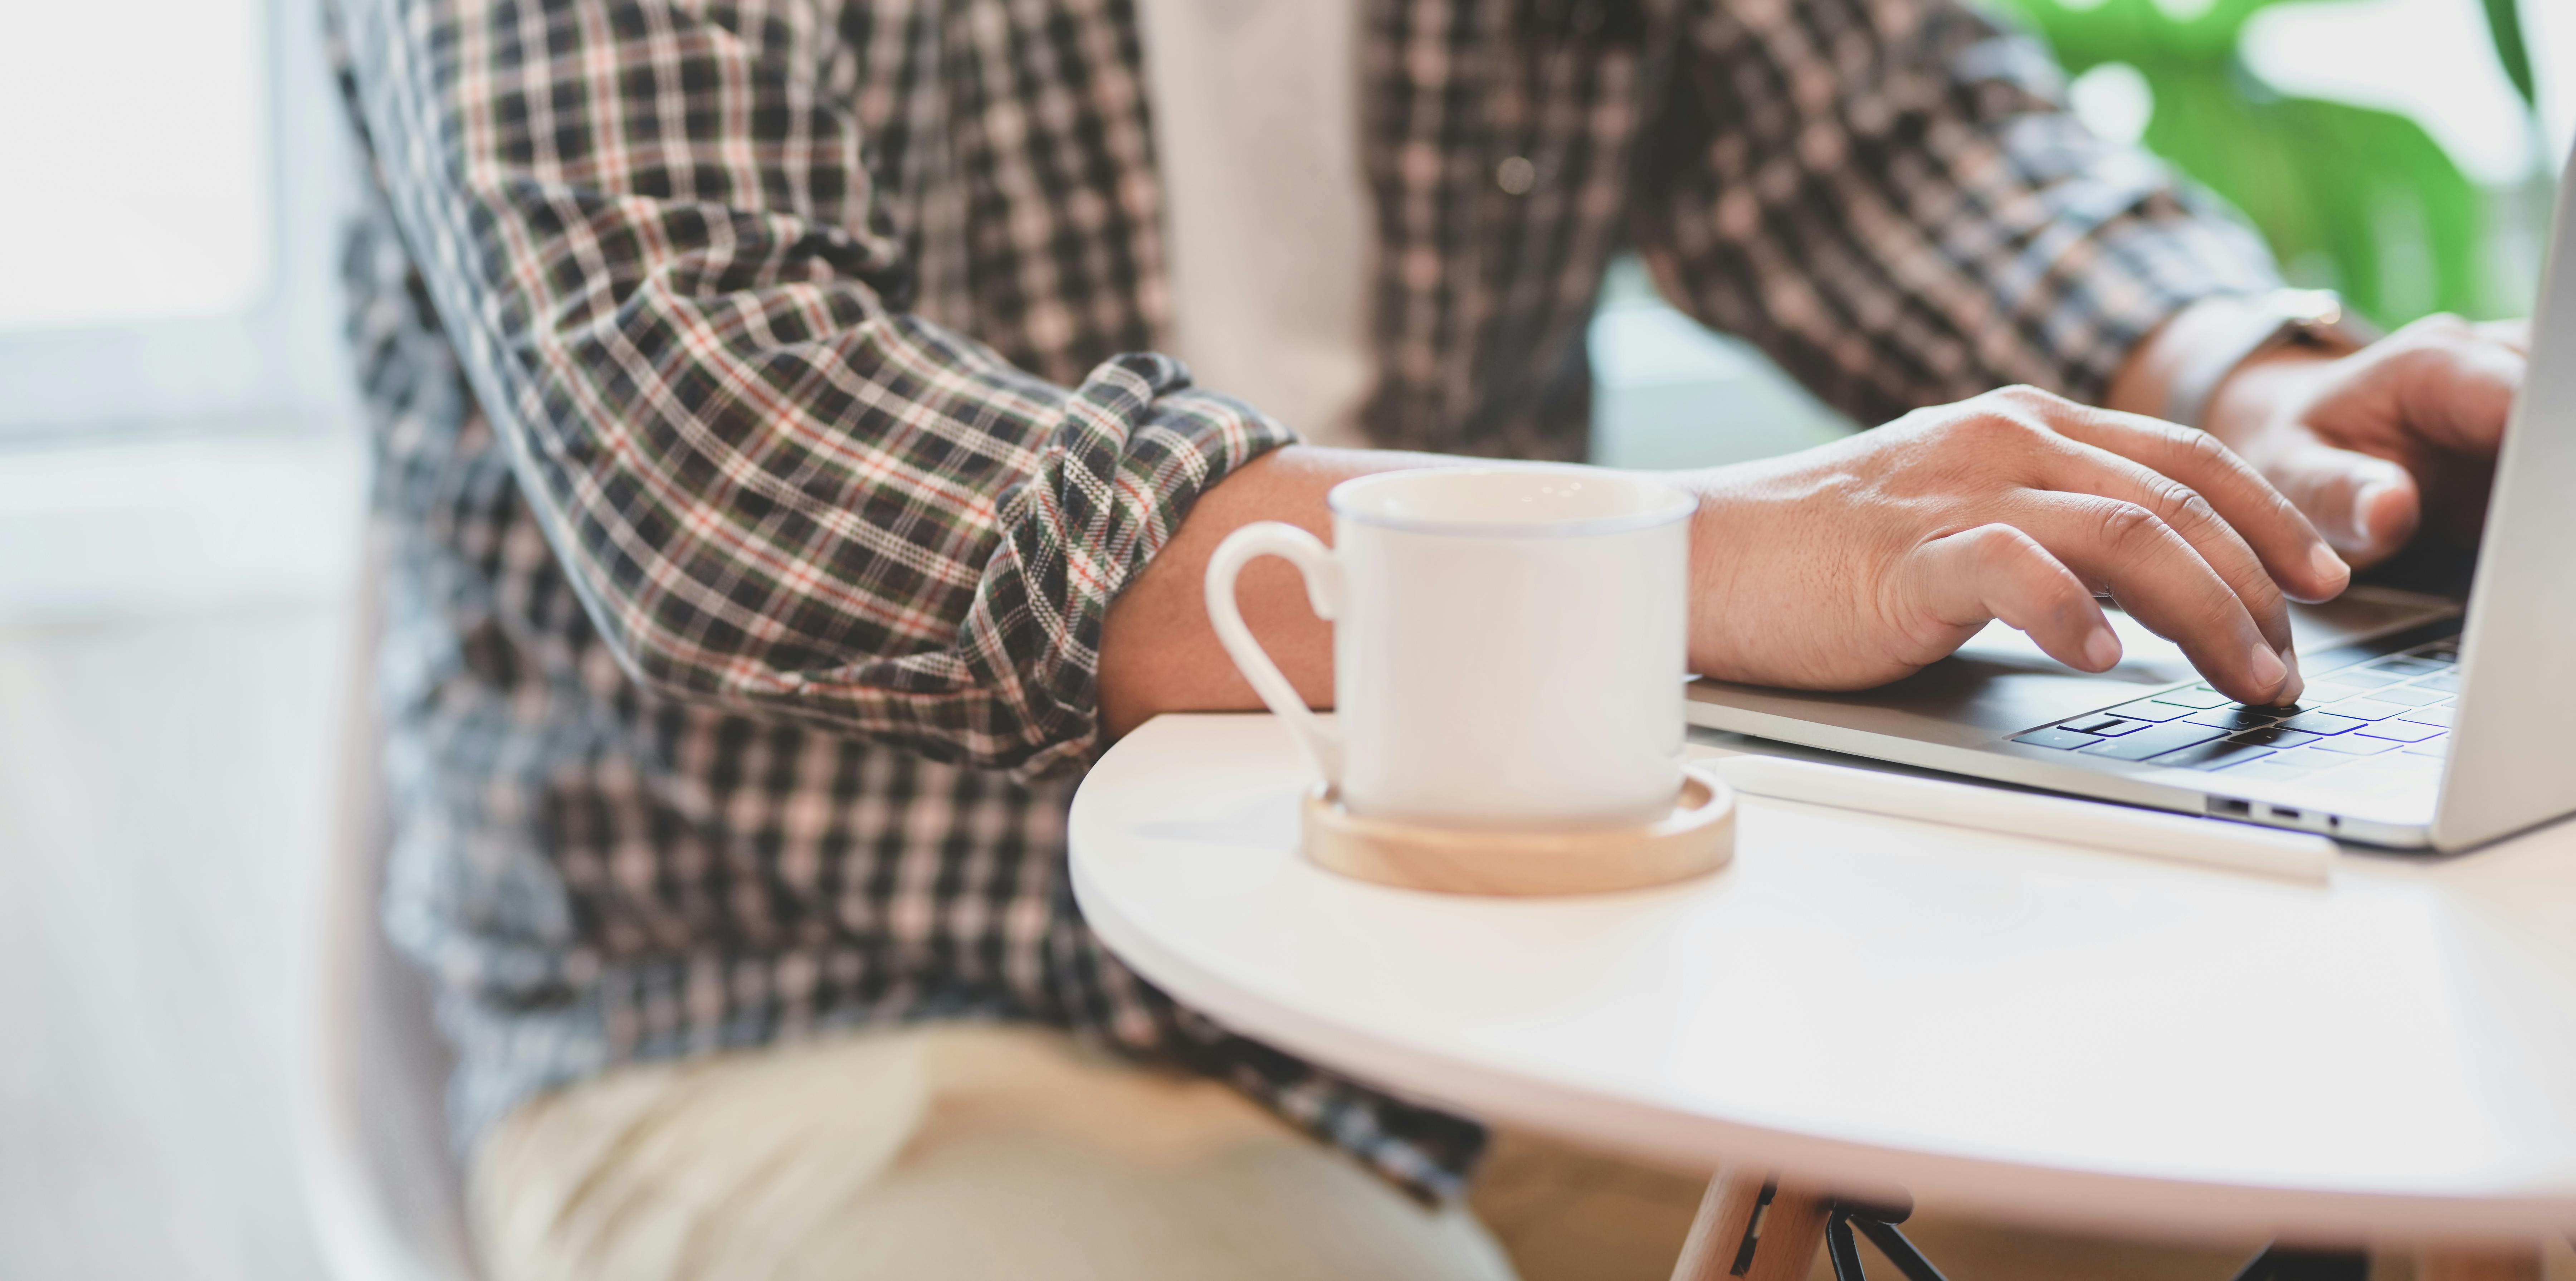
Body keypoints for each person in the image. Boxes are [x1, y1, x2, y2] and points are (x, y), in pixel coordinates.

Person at [322, 0, 2526, 1276]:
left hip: (1548, 918)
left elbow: (1873, 122)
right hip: (816, 1001)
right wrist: (1682, 559)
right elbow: (726, 436)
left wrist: (2233, 384)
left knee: (2289, 1209)